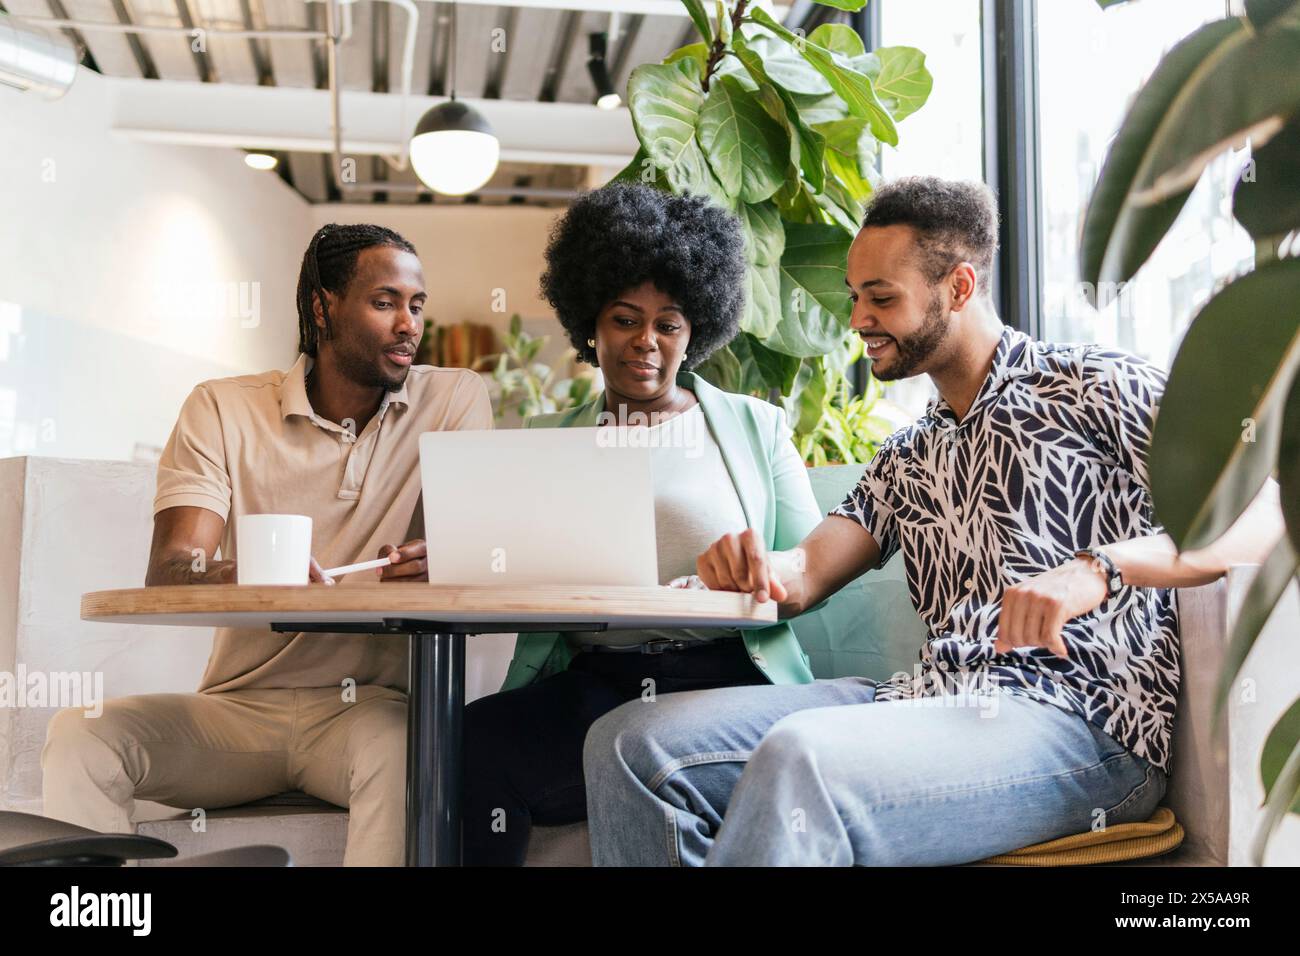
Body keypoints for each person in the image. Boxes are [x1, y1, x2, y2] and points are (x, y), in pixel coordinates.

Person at [581, 176, 1285, 866]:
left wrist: (1098, 568)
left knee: (802, 762)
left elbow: (1264, 514)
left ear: (959, 287)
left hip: (1079, 726)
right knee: (628, 744)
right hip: (924, 700)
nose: (858, 320)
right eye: (856, 297)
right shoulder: (908, 453)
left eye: (881, 298)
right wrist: (755, 567)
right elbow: (805, 573)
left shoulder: (1093, 385)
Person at [40, 223, 492, 866]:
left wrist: (443, 553)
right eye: (385, 301)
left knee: (404, 751)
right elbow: (171, 569)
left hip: (367, 714)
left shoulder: (451, 398)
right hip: (237, 712)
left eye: (417, 305)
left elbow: (448, 543)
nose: (408, 325)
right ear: (322, 306)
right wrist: (253, 573)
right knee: (83, 734)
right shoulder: (221, 408)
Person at [460, 183, 824, 865]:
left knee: (631, 743)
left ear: (696, 330)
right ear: (590, 324)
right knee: (473, 740)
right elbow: (513, 567)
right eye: (625, 319)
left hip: (726, 679)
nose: (646, 341)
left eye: (669, 322)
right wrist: (467, 547)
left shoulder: (755, 428)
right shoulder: (549, 439)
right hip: (599, 680)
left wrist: (760, 569)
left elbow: (813, 560)